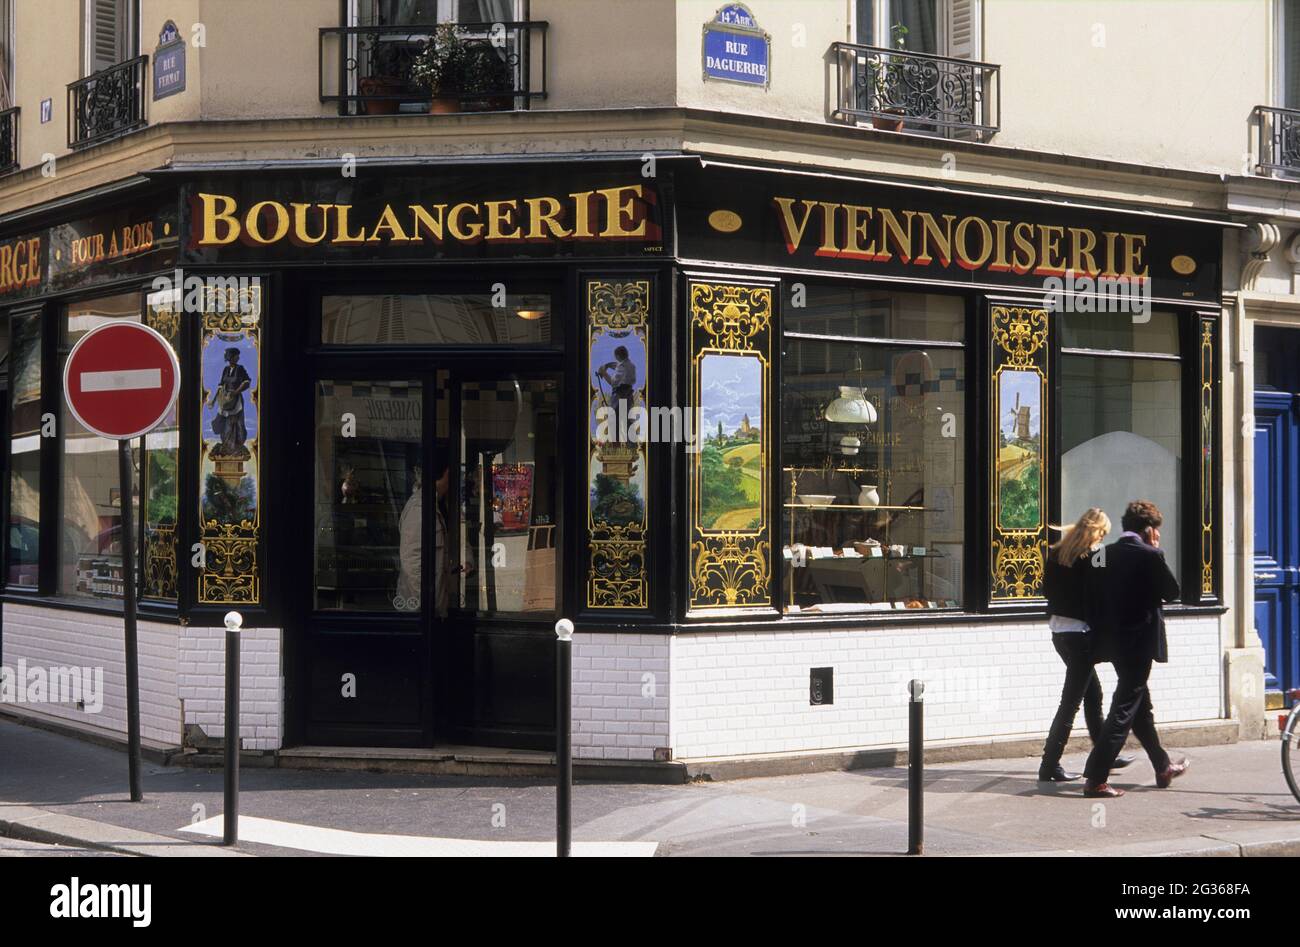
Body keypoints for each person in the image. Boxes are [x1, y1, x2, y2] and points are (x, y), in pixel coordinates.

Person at [1082, 500, 1190, 798]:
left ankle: (1163, 766)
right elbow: (1172, 592)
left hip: (1113, 642)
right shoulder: (1150, 555)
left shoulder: (1103, 554)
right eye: (1155, 532)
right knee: (1124, 707)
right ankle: (1095, 778)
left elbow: (1090, 590)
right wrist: (1156, 550)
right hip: (1140, 643)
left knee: (1140, 708)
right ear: (1150, 530)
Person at [1037, 508, 1133, 781]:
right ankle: (1049, 765)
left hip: (1060, 632)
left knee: (1093, 694)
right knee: (1070, 702)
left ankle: (1104, 755)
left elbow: (1047, 591)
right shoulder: (1097, 553)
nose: (1103, 537)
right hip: (1081, 634)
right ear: (1098, 531)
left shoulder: (1056, 552)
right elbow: (1104, 592)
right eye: (1103, 532)